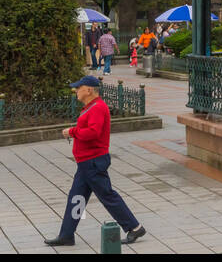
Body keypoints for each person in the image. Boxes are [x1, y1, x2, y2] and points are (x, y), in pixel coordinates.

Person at [44, 76, 146, 247]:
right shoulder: (91, 107)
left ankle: (134, 227)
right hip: (86, 163)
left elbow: (93, 132)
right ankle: (67, 235)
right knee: (77, 198)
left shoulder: (98, 107)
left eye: (79, 88)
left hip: (93, 161)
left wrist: (72, 132)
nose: (76, 91)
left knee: (107, 195)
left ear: (89, 90)